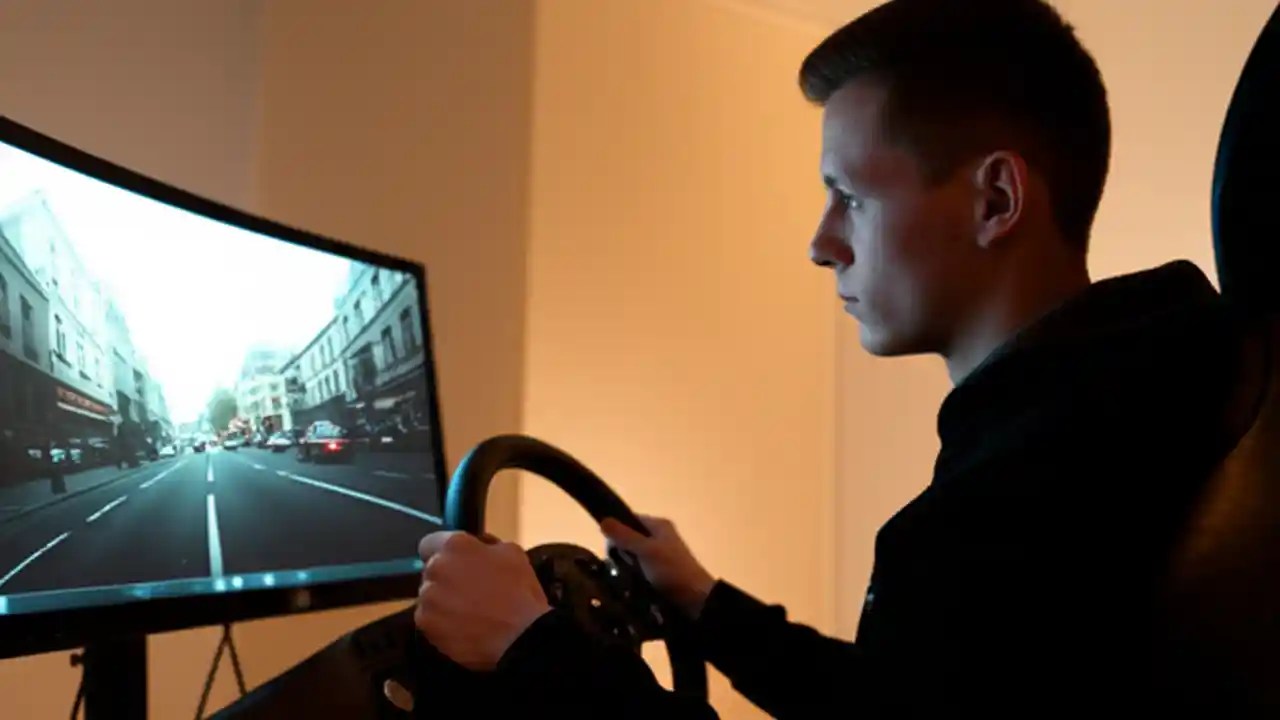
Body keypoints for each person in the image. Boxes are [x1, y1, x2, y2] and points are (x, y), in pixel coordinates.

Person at [413, 0, 1251, 716]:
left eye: (849, 196)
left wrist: (529, 646)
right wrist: (704, 602)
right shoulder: (1158, 392)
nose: (822, 244)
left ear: (995, 199)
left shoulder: (1012, 502)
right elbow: (906, 699)